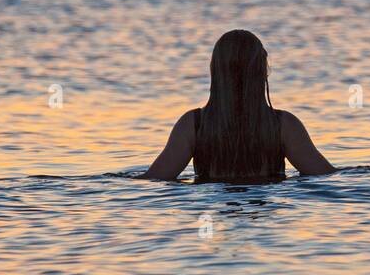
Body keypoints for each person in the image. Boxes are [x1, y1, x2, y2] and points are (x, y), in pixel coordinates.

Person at [140, 30, 335, 183]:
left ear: (215, 70)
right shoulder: (284, 125)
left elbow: (155, 179)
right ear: (261, 71)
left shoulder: (193, 125)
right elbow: (325, 176)